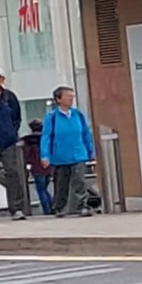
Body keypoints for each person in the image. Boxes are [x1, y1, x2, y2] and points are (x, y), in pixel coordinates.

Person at [40, 86, 101, 217]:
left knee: (79, 181)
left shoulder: (77, 114)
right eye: (68, 96)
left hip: (78, 154)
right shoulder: (52, 117)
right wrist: (45, 155)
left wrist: (90, 151)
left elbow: (85, 133)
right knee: (62, 183)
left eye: (72, 96)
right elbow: (46, 136)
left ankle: (81, 206)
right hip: (60, 156)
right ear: (58, 99)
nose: (71, 99)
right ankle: (59, 207)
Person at [0, 72, 22, 220]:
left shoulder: (9, 97)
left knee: (13, 173)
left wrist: (12, 133)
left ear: (2, 79)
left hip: (7, 142)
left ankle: (16, 208)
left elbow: (17, 117)